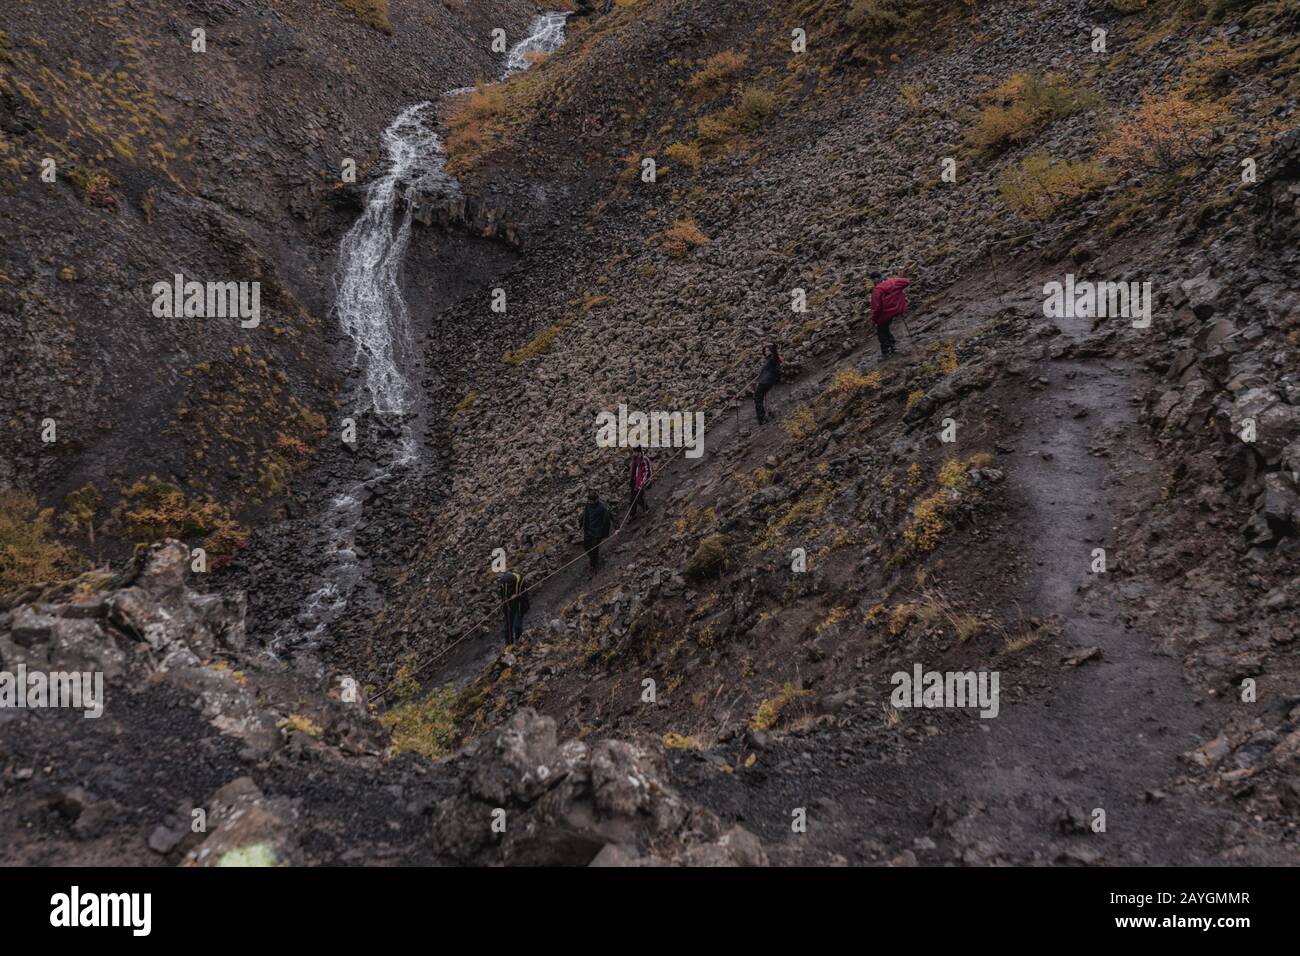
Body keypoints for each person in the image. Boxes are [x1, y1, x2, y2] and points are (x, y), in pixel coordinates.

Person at [869, 272, 912, 359]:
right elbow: (907, 282)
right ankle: (892, 346)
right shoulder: (893, 282)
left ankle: (886, 352)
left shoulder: (877, 290)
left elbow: (876, 307)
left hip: (886, 313)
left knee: (881, 330)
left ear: (876, 279)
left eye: (873, 280)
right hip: (898, 309)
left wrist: (874, 319)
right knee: (884, 328)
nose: (873, 282)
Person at [578, 489, 612, 573]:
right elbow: (586, 514)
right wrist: (580, 522)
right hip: (588, 530)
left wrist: (617, 528)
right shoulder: (588, 504)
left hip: (598, 532)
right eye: (588, 501)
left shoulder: (604, 507)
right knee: (586, 546)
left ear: (596, 500)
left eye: (591, 501)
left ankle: (593, 564)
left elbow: (612, 516)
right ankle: (593, 559)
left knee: (594, 549)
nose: (589, 503)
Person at [755, 342, 783, 425]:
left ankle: (762, 418)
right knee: (758, 398)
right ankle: (762, 417)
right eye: (765, 350)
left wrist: (774, 347)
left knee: (757, 398)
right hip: (765, 381)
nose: (766, 351)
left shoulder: (773, 358)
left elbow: (775, 355)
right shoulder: (769, 359)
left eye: (768, 350)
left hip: (766, 381)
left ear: (771, 351)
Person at [498, 570, 529, 642]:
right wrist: (505, 601)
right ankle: (509, 643)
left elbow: (525, 595)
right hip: (509, 605)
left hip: (520, 604)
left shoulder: (520, 581)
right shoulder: (503, 584)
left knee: (517, 626)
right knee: (508, 627)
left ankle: (519, 641)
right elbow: (503, 596)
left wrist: (517, 595)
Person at [628, 447, 652, 520]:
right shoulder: (634, 459)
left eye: (634, 452)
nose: (633, 453)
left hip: (641, 483)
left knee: (638, 498)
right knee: (632, 498)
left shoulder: (644, 460)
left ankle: (646, 509)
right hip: (634, 481)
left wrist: (643, 483)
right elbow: (633, 470)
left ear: (639, 452)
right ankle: (633, 514)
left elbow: (647, 472)